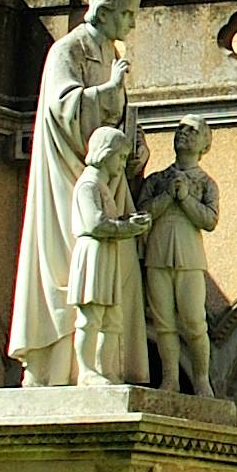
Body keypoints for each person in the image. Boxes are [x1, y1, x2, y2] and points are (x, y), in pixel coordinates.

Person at [8, 0, 135, 385]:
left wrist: (132, 141)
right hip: (68, 174)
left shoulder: (110, 52)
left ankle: (97, 366)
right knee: (66, 267)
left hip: (106, 175)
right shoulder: (67, 50)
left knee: (110, 277)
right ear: (103, 12)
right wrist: (109, 91)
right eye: (126, 14)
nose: (132, 23)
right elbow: (63, 108)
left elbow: (117, 117)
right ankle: (55, 367)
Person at [139, 122, 218, 395]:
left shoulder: (206, 183)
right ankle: (170, 378)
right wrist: (166, 197)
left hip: (190, 256)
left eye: (192, 131)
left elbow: (210, 220)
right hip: (158, 254)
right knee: (163, 323)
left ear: (204, 144)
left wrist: (185, 199)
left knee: (195, 320)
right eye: (180, 129)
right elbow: (142, 212)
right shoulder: (157, 179)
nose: (183, 133)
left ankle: (201, 379)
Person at [70, 123, 148, 387]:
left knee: (112, 318)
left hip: (107, 252)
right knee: (91, 316)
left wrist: (129, 224)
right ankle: (86, 371)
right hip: (93, 252)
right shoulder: (88, 184)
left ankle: (106, 369)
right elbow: (95, 224)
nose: (123, 164)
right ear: (105, 153)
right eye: (121, 157)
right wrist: (127, 228)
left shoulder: (102, 186)